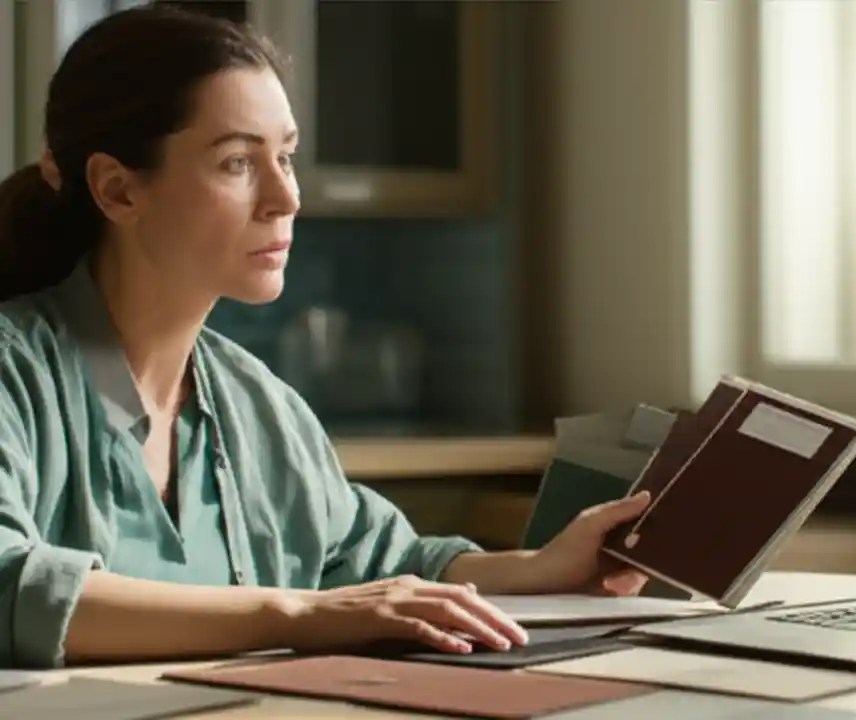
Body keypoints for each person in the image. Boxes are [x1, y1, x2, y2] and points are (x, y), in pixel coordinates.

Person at [0, 6, 649, 669]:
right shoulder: (13, 375)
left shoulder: (256, 406)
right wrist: (297, 614)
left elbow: (381, 564)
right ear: (117, 189)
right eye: (236, 162)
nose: (287, 196)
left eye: (285, 155)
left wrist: (543, 567)